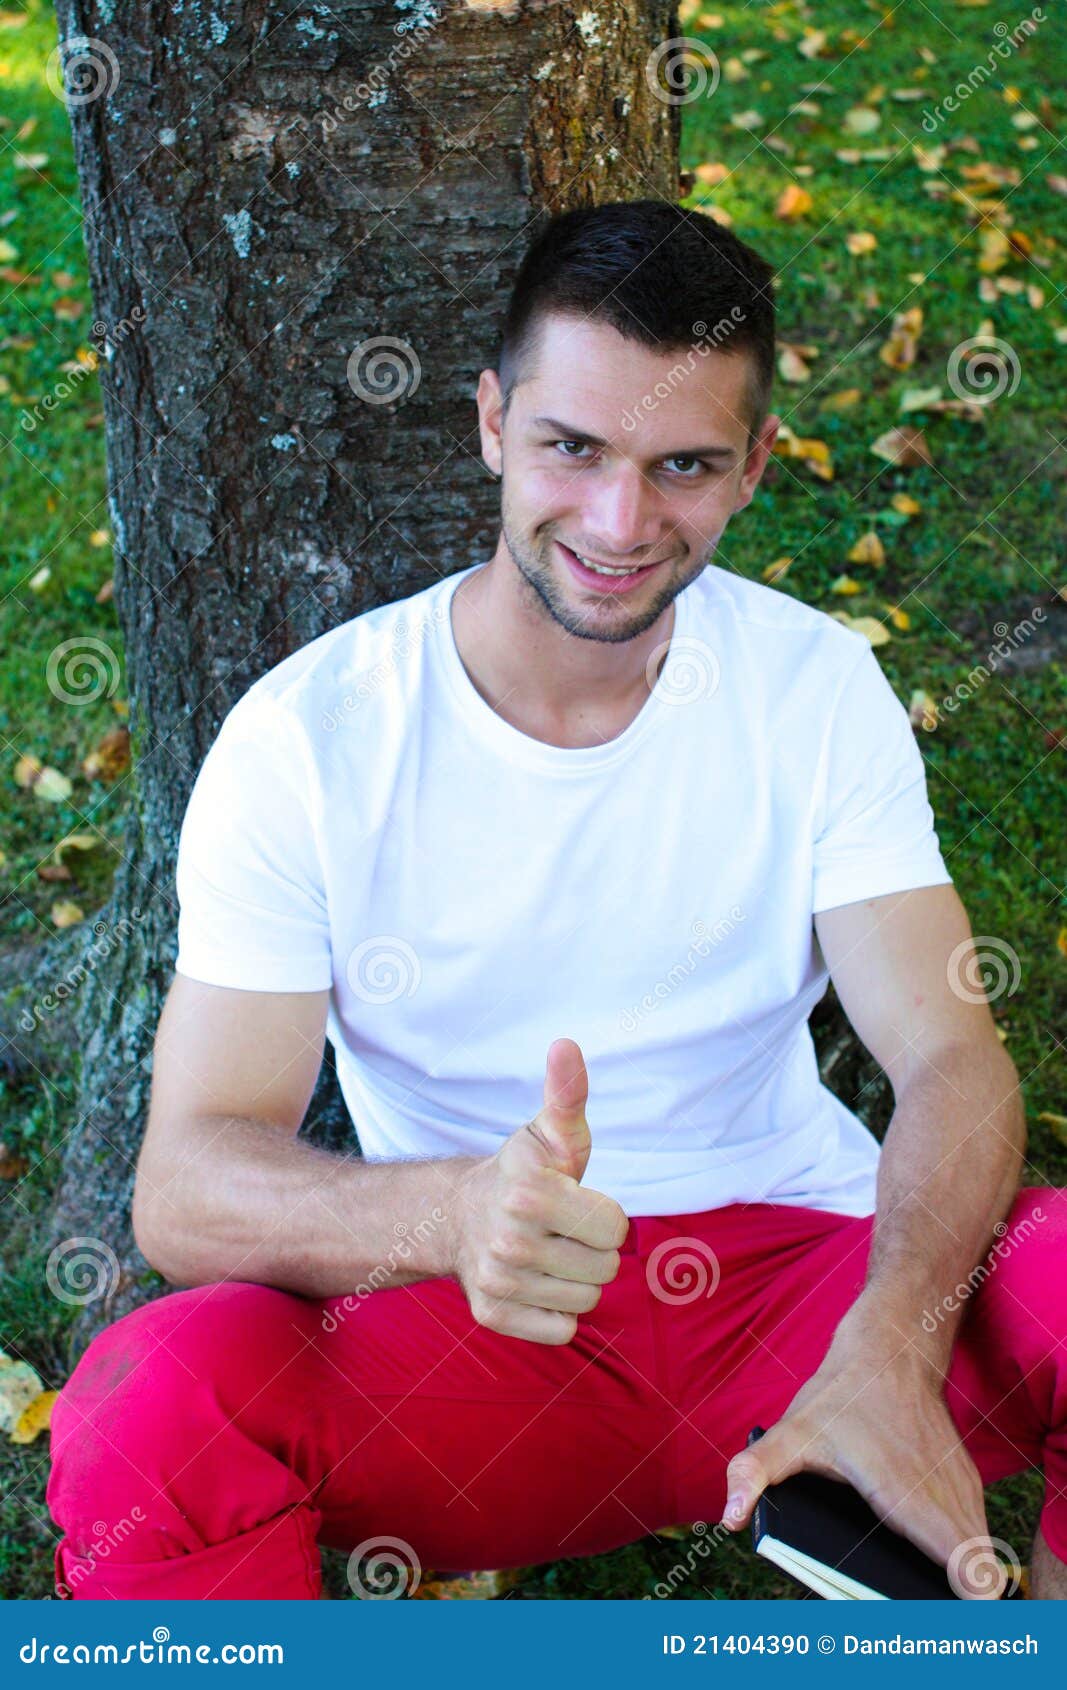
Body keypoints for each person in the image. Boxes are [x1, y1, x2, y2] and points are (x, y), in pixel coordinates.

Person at [46, 200, 1066, 1602]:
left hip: (799, 1292)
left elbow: (951, 1057)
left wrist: (890, 1343)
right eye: (570, 449)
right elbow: (185, 1184)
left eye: (685, 466)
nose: (618, 521)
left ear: (757, 466)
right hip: (487, 1325)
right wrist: (460, 1213)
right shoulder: (311, 739)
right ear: (489, 424)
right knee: (153, 1407)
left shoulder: (815, 687)